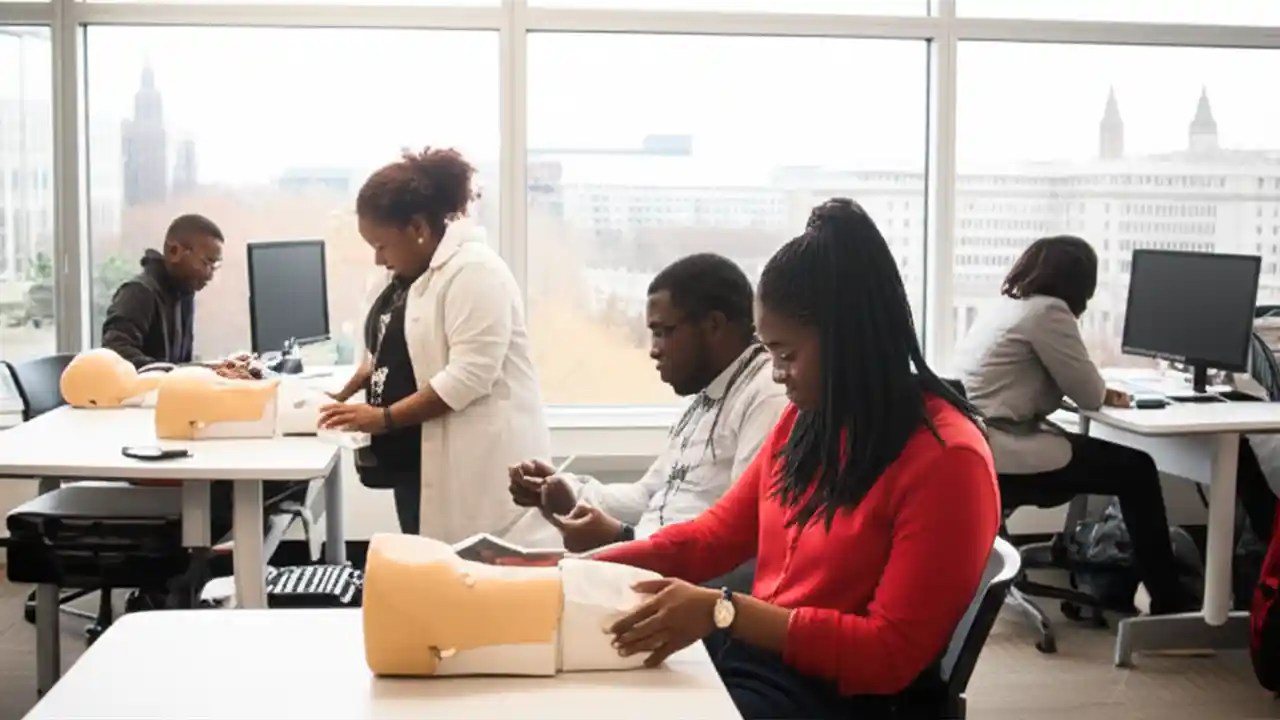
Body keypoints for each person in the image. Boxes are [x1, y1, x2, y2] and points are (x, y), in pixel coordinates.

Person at [593, 199, 1000, 720]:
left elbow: (887, 656)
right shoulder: (812, 419)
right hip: (763, 663)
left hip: (841, 698)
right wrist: (575, 569)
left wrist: (725, 612)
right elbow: (712, 538)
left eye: (786, 355)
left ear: (849, 340)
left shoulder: (948, 462)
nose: (777, 374)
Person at [952, 235, 1200, 614]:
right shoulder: (1049, 313)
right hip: (1005, 449)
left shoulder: (1009, 307)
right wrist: (1102, 391)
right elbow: (1089, 394)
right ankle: (1168, 601)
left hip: (981, 441)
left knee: (1107, 459)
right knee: (1137, 470)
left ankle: (1086, 557)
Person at [319, 147, 550, 541]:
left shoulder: (475, 272)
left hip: (475, 463)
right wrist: (366, 375)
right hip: (416, 457)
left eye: (382, 245)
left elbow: (469, 376)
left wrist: (384, 418)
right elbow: (400, 344)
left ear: (418, 228)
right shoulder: (406, 275)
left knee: (478, 575)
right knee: (432, 565)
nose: (377, 259)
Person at [506, 253, 787, 561]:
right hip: (650, 562)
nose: (654, 350)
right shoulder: (706, 397)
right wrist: (567, 491)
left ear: (714, 325)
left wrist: (620, 538)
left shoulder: (766, 393)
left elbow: (743, 532)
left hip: (683, 583)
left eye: (663, 332)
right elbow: (649, 496)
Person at [101, 213, 223, 368]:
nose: (210, 274)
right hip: (141, 392)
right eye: (207, 263)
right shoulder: (138, 293)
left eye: (215, 266)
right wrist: (175, 373)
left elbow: (180, 365)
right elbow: (115, 355)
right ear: (174, 251)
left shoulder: (184, 295)